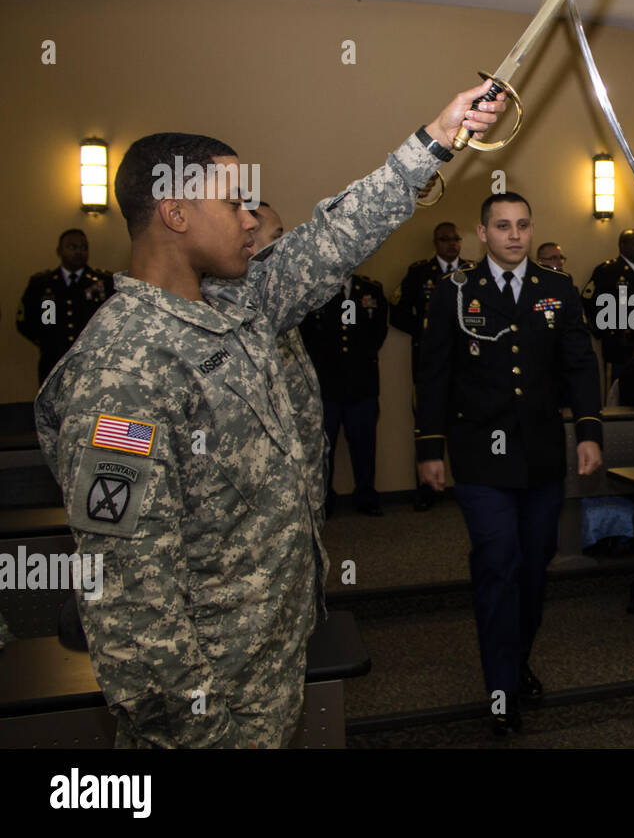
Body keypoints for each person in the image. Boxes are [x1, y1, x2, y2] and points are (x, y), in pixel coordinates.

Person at [34, 82, 505, 748]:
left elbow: (334, 236)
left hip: (271, 665)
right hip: (209, 712)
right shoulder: (121, 370)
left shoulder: (238, 304)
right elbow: (128, 597)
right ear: (175, 213)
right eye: (235, 204)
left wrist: (436, 137)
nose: (252, 220)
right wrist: (204, 733)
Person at [415, 191, 603, 737]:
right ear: (483, 234)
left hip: (541, 454)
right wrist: (429, 447)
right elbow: (434, 373)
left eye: (522, 225)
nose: (514, 235)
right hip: (480, 455)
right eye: (502, 226)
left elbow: (579, 365)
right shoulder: (454, 292)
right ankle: (500, 690)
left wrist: (589, 432)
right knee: (498, 563)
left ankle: (516, 661)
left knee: (534, 565)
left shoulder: (557, 289)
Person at [248, 202, 329, 538]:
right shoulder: (245, 306)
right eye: (277, 237)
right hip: (276, 496)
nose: (284, 246)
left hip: (305, 471)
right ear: (249, 241)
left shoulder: (277, 300)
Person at [392, 220, 476, 509]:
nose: (452, 244)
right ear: (435, 243)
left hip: (467, 364)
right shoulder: (419, 273)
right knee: (428, 423)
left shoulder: (473, 272)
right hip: (430, 364)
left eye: (456, 239)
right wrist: (429, 333)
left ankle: (470, 486)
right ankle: (427, 489)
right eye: (445, 239)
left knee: (469, 426)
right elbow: (398, 312)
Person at [299, 272, 389, 516]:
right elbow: (305, 335)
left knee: (364, 445)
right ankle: (323, 501)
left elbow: (379, 330)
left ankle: (366, 497)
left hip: (362, 384)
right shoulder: (316, 289)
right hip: (326, 385)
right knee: (323, 447)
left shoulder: (371, 289)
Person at [17, 229, 115, 383]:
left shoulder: (103, 282)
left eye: (84, 247)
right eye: (72, 247)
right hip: (54, 362)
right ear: (59, 251)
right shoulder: (44, 284)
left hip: (91, 363)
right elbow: (26, 322)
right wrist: (47, 342)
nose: (79, 252)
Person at [581, 228, 634, 381]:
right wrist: (602, 330)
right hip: (619, 344)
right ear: (623, 246)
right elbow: (588, 299)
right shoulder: (609, 270)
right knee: (618, 387)